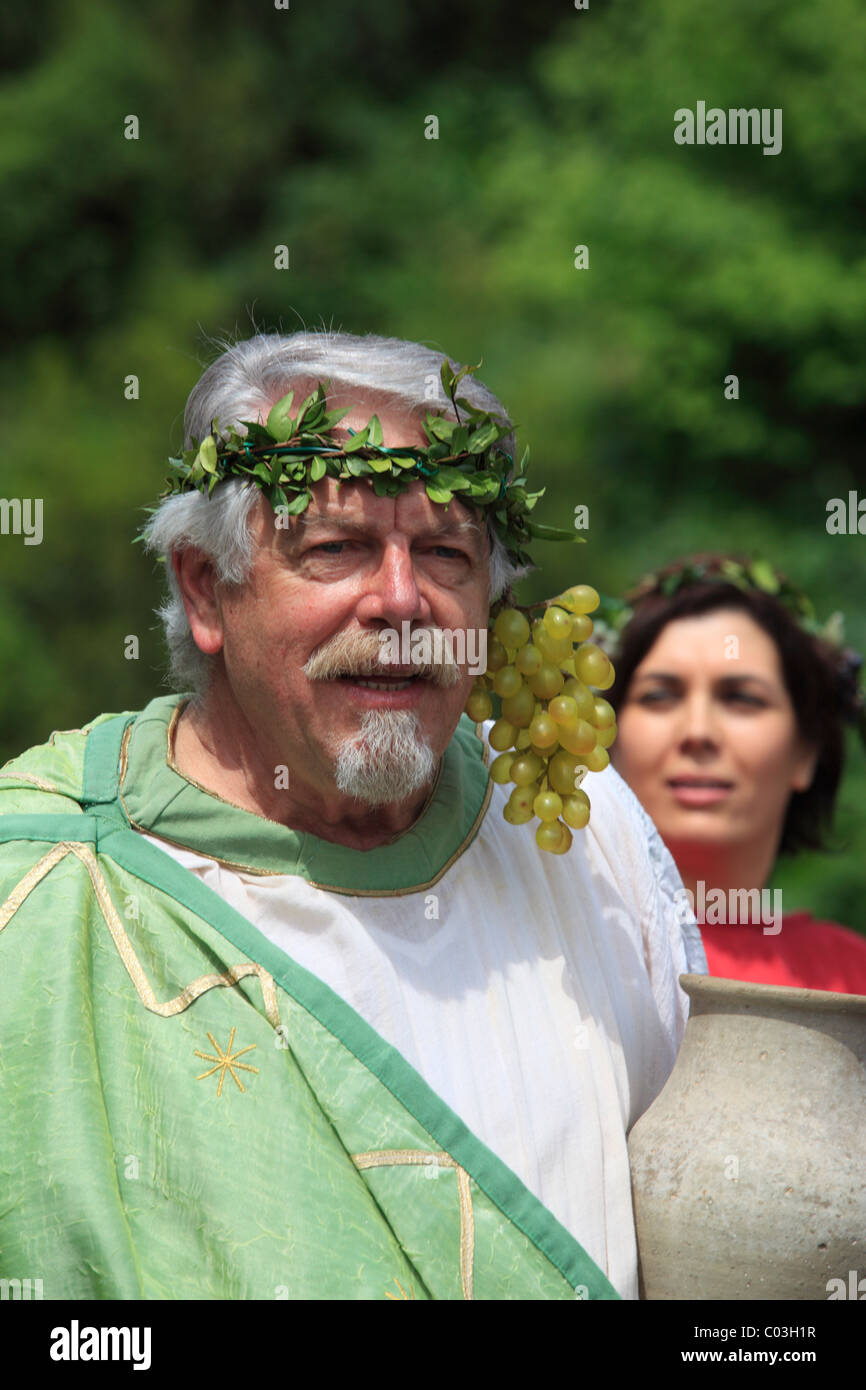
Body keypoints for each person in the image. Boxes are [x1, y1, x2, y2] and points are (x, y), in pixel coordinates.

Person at [0, 331, 705, 1301]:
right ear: (204, 587)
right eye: (334, 549)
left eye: (445, 553)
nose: (401, 599)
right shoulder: (41, 886)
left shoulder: (589, 835)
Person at [605, 554, 866, 994]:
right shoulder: (538, 947)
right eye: (660, 695)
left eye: (743, 698)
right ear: (604, 734)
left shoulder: (852, 977)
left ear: (806, 752)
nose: (698, 732)